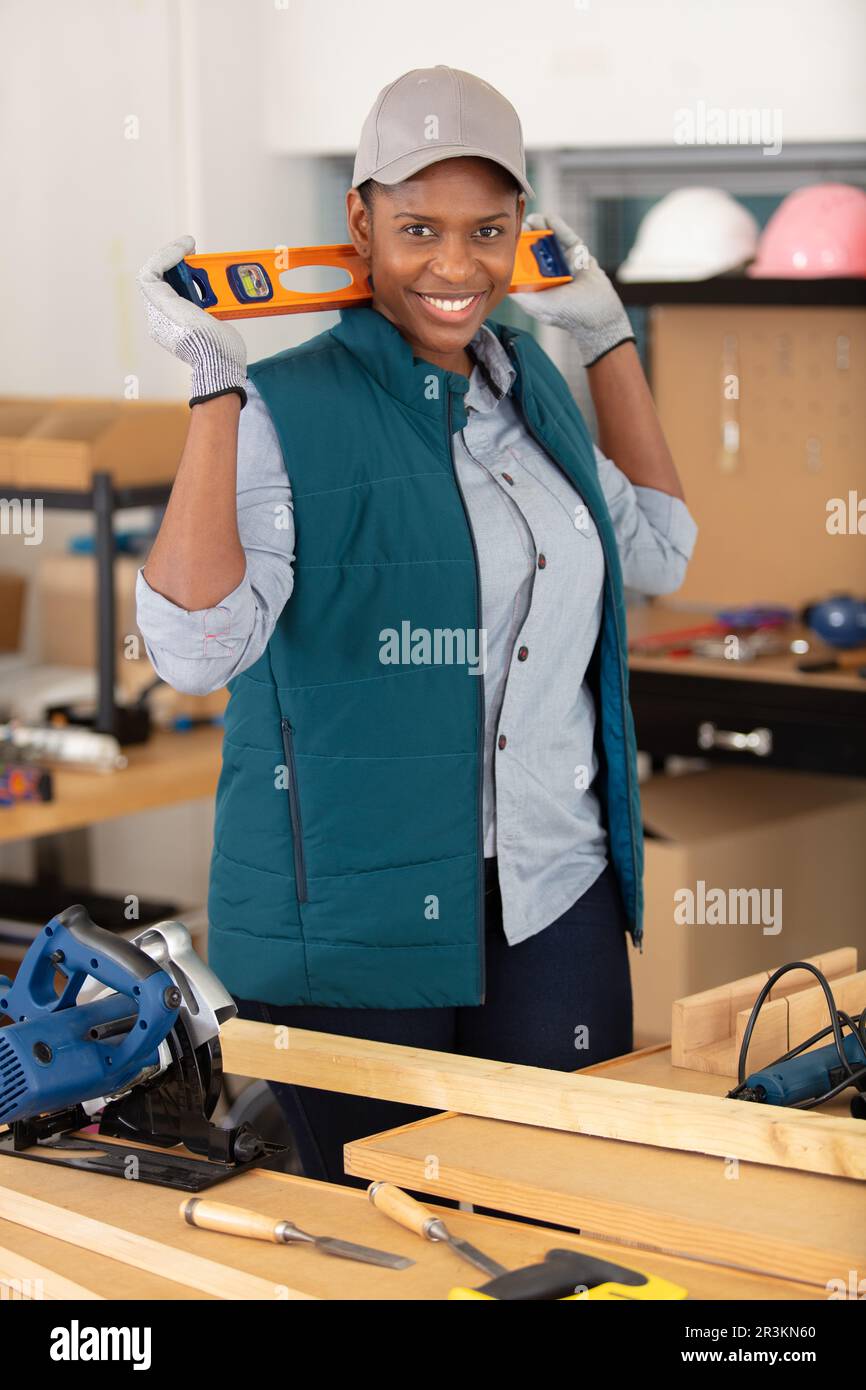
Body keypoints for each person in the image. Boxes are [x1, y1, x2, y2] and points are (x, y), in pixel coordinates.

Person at [136, 65, 697, 1185]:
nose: (456, 264)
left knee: (557, 1207)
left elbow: (658, 553)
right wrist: (213, 390)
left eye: (488, 229)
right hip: (353, 915)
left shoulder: (525, 381)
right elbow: (195, 651)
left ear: (522, 228)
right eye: (417, 228)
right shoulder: (288, 407)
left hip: (550, 890)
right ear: (358, 223)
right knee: (381, 1228)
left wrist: (605, 341)